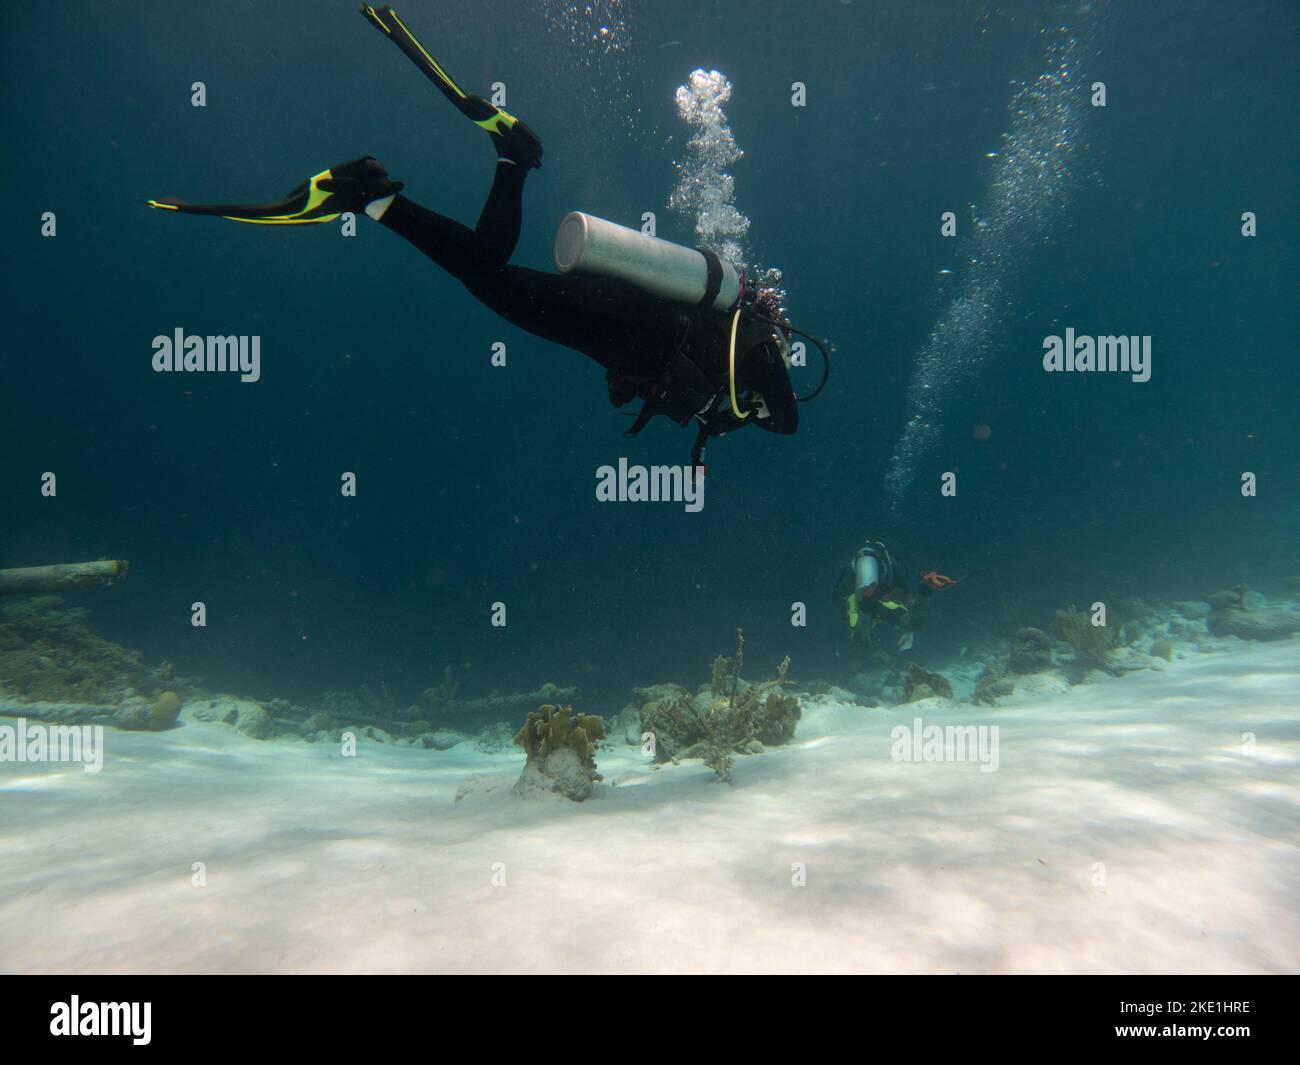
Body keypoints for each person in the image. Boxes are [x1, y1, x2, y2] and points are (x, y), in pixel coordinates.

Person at [148, 5, 827, 466]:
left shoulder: (738, 350)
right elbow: (788, 423)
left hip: (619, 323)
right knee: (490, 279)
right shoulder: (760, 359)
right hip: (626, 325)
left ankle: (432, 181)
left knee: (489, 278)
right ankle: (422, 183)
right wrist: (737, 409)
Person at [833, 540, 968, 653]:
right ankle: (925, 588)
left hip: (864, 603)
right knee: (915, 622)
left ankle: (925, 588)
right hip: (872, 601)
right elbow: (905, 596)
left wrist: (908, 630)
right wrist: (909, 628)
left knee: (860, 637)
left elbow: (865, 599)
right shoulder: (888, 566)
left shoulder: (870, 566)